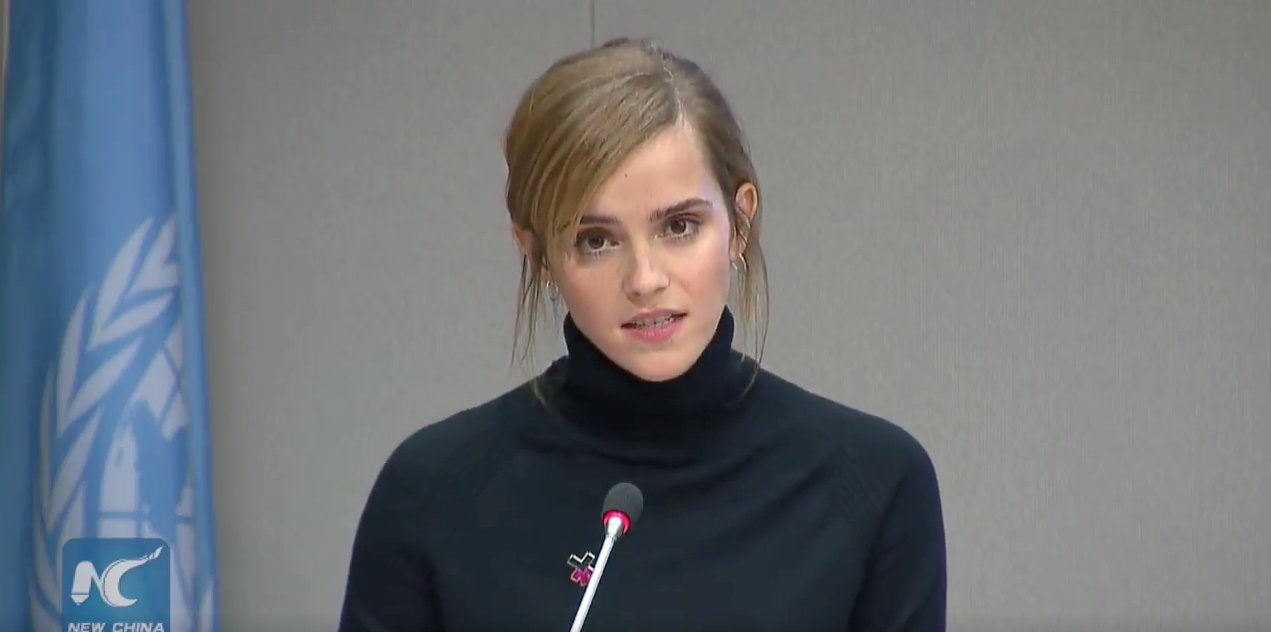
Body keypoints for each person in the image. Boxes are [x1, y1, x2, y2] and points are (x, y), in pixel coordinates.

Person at [337, 37, 946, 632]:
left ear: (739, 224)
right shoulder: (431, 493)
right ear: (538, 253)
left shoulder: (875, 483)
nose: (645, 279)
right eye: (595, 240)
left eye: (679, 226)